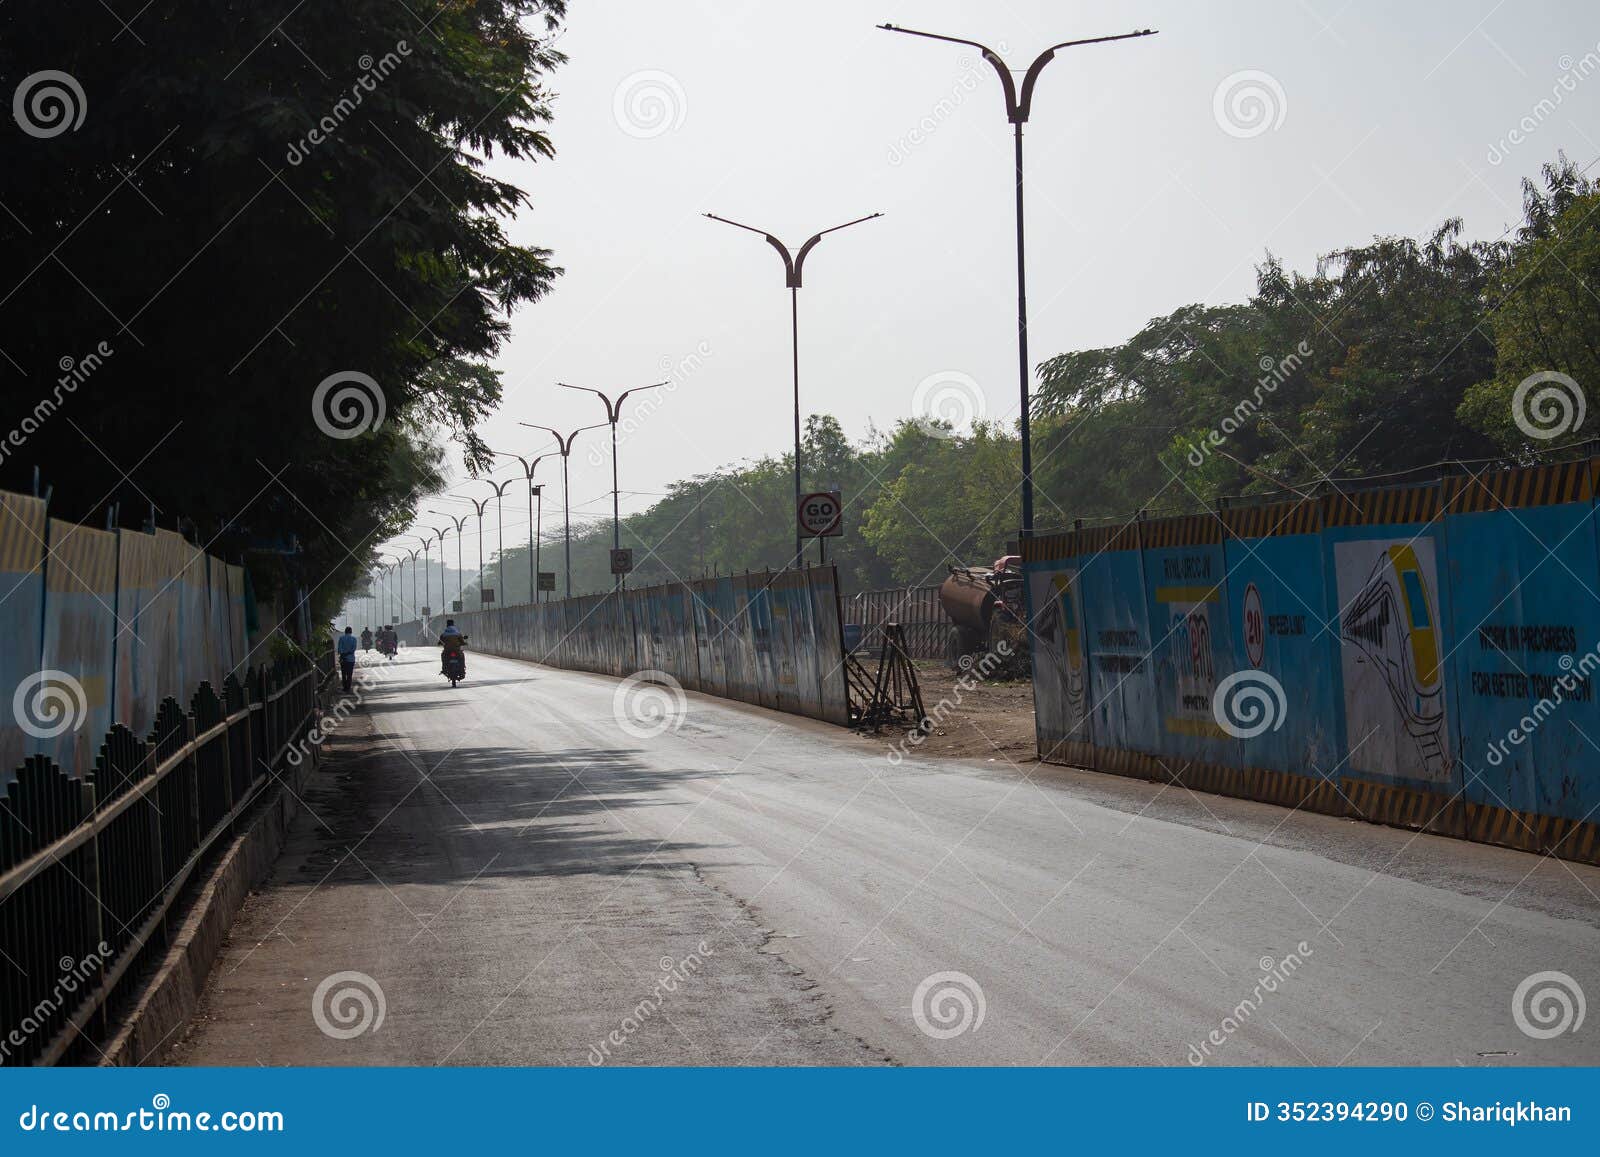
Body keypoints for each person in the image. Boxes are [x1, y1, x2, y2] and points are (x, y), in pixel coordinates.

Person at [336, 626, 359, 692]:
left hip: (343, 659)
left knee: (343, 673)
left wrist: (343, 654)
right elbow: (353, 648)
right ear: (351, 632)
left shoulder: (341, 638)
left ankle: (344, 687)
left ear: (345, 631)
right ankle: (348, 687)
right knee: (349, 674)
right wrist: (348, 653)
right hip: (351, 659)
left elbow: (339, 649)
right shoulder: (354, 639)